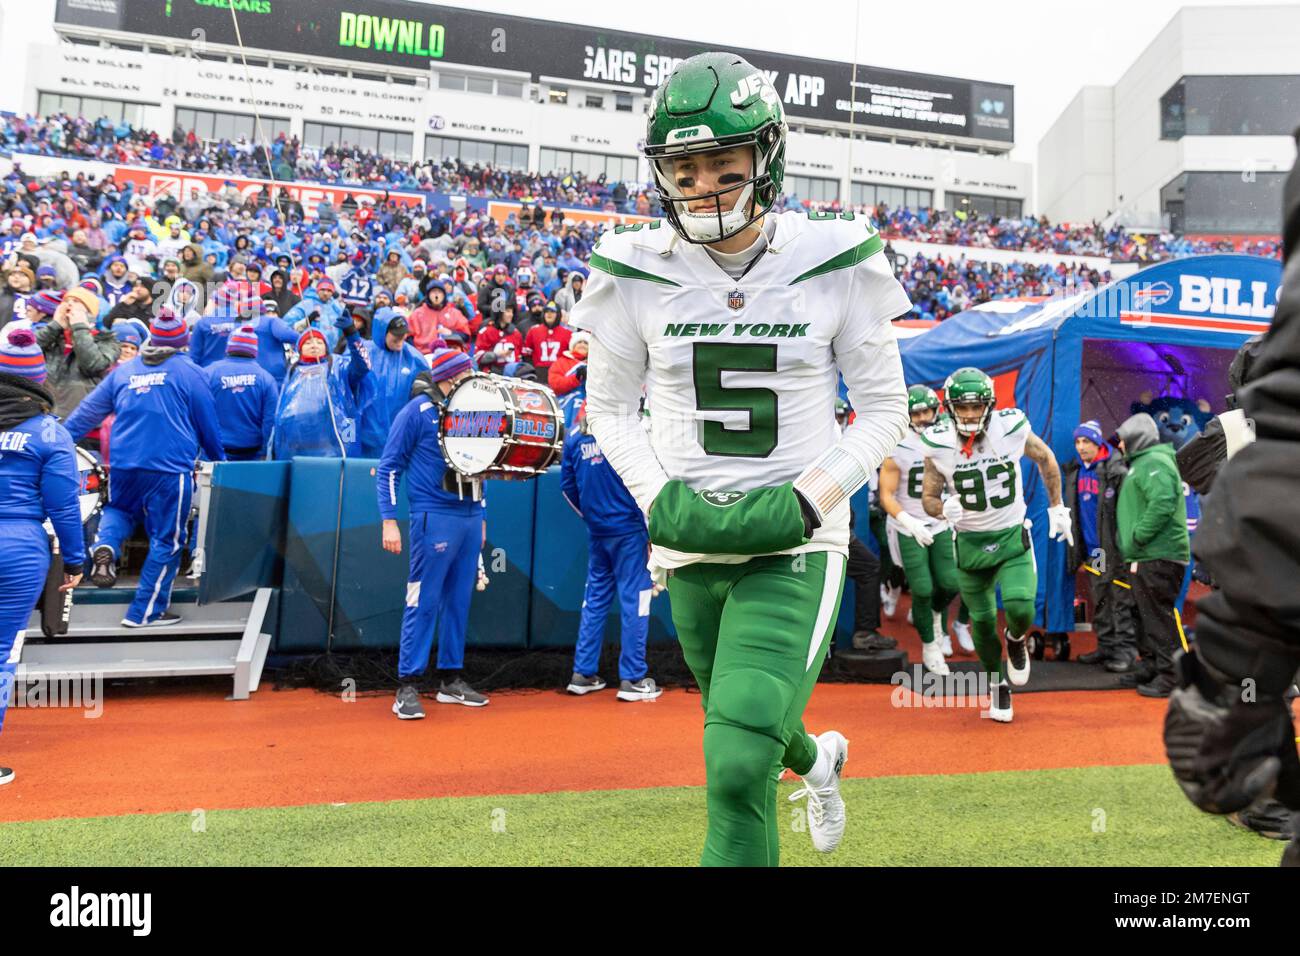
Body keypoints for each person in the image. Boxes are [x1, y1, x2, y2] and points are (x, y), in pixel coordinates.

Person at [574, 53, 911, 867]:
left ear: (767, 159)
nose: (706, 187)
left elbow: (887, 409)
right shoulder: (634, 270)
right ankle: (820, 761)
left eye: (726, 165)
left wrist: (811, 498)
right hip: (688, 540)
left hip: (794, 545)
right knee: (749, 725)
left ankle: (794, 767)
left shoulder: (835, 258)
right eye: (686, 169)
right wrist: (659, 500)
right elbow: (609, 411)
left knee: (731, 768)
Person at [1164, 144, 1300, 865]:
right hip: (1265, 564)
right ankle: (1271, 801)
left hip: (1259, 564)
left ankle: (1273, 800)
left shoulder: (1232, 424)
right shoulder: (1242, 424)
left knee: (1261, 694)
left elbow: (1190, 468)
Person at [920, 367, 1073, 724]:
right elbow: (928, 496)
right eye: (963, 407)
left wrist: (1057, 506)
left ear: (990, 405)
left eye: (977, 407)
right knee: (983, 622)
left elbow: (1046, 458)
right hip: (970, 543)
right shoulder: (938, 442)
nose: (971, 415)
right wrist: (943, 508)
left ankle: (1017, 639)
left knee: (1021, 608)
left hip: (1010, 534)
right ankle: (995, 685)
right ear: (949, 406)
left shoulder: (1011, 427)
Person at [65, 311, 226, 627]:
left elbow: (87, 412)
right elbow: (208, 424)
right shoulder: (191, 372)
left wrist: (60, 439)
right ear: (183, 341)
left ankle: (105, 547)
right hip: (169, 468)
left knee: (119, 511)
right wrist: (218, 459)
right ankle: (145, 612)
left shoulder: (125, 371)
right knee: (167, 539)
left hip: (124, 464)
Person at [378, 350, 488, 717]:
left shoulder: (471, 410)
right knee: (422, 599)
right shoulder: (415, 412)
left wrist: (482, 513)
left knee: (459, 600)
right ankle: (407, 685)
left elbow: (479, 466)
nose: (469, 380)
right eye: (464, 374)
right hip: (434, 514)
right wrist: (388, 519)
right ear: (448, 377)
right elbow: (389, 467)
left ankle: (450, 680)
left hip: (469, 515)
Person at [0, 323, 85, 786]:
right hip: (18, 546)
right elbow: (63, 505)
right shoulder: (49, 433)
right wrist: (75, 561)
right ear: (39, 381)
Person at [560, 402, 661, 700]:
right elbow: (646, 485)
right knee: (636, 601)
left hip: (599, 531)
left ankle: (583, 673)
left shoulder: (577, 437)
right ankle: (633, 678)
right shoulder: (629, 435)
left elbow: (567, 487)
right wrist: (652, 534)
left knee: (594, 600)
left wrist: (592, 518)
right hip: (630, 531)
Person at [879, 385, 960, 675]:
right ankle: (930, 646)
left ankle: (936, 617)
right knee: (922, 589)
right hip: (908, 524)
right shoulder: (897, 443)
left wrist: (952, 502)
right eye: (916, 412)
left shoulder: (948, 438)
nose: (923, 416)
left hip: (940, 522)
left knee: (951, 583)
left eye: (927, 410)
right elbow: (886, 494)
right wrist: (908, 521)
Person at [1114, 412, 1190, 697]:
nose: (1120, 446)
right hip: (1147, 555)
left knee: (1157, 616)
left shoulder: (1154, 462)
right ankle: (1153, 666)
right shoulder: (1144, 463)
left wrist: (1138, 536)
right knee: (1145, 614)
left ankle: (1173, 676)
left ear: (1136, 439)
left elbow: (1163, 502)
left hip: (1158, 554)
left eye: (1123, 440)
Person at [1062, 419, 1139, 671]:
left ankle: (1125, 651)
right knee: (1101, 597)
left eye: (1086, 441)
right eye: (1078, 441)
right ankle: (1106, 646)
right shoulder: (1076, 471)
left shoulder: (1114, 470)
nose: (1081, 447)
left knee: (1120, 598)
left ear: (1097, 443)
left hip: (1114, 549)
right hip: (1094, 551)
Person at [271, 323, 367, 460]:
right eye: (308, 342)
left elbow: (363, 366)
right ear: (300, 349)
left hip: (339, 444)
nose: (314, 345)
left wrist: (352, 335)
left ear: (326, 347)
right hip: (299, 450)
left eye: (319, 342)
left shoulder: (339, 366)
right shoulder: (293, 372)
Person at [348, 308, 430, 458]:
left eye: (403, 335)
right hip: (365, 435)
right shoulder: (364, 352)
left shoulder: (414, 358)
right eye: (396, 336)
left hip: (400, 437)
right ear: (382, 332)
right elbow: (348, 381)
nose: (400, 339)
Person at [33, 287, 117, 421]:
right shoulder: (50, 336)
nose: (69, 304)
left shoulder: (107, 340)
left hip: (80, 422)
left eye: (77, 301)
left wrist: (79, 327)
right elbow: (27, 350)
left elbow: (93, 365)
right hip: (43, 416)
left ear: (90, 312)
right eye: (67, 300)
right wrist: (55, 325)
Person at [206, 326, 278, 461]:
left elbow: (198, 413)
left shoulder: (209, 373)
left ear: (229, 347)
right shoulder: (266, 379)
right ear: (254, 350)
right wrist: (264, 453)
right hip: (252, 456)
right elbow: (270, 421)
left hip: (213, 454)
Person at [522, 301, 570, 385]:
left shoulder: (567, 334)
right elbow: (526, 354)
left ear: (558, 314)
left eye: (552, 312)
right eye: (546, 311)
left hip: (558, 373)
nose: (549, 314)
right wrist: (533, 370)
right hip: (539, 373)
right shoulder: (534, 331)